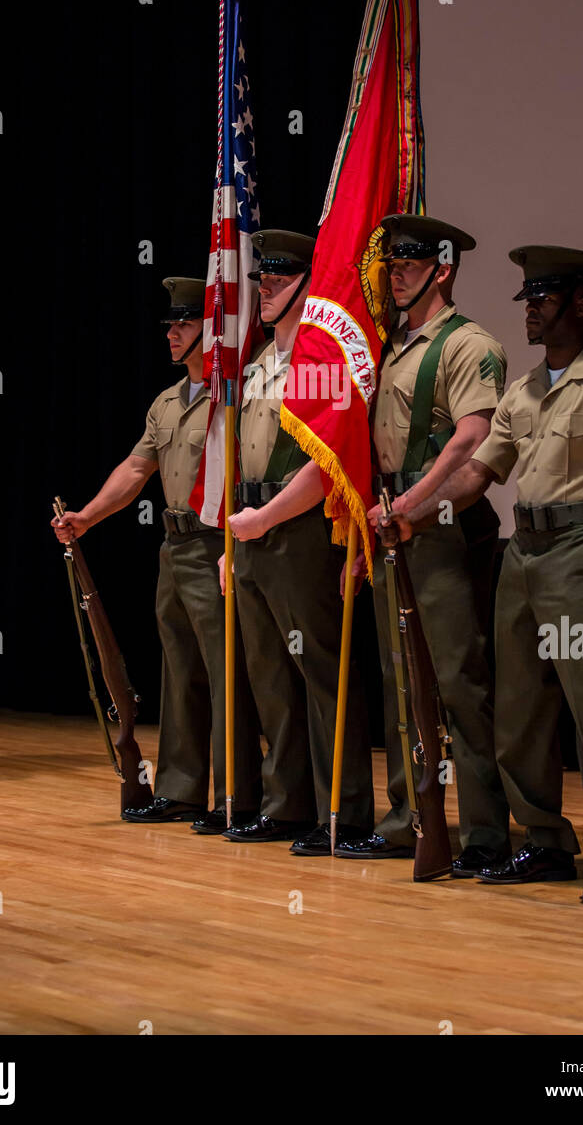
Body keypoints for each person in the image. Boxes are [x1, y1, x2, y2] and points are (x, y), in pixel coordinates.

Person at [392, 245, 583, 904]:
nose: (531, 313)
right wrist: (416, 513)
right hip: (521, 554)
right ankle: (544, 842)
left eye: (543, 299)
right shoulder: (522, 391)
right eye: (526, 300)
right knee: (518, 711)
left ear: (581, 301)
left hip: (576, 552)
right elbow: (477, 475)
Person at [333, 213, 511, 875]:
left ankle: (488, 832)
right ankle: (409, 818)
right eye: (391, 266)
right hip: (390, 527)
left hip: (440, 528)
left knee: (459, 684)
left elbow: (472, 439)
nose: (395, 276)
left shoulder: (470, 345)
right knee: (401, 681)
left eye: (408, 264)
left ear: (442, 269)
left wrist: (411, 504)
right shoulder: (391, 348)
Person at [51, 277, 261, 829]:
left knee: (226, 673)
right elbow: (136, 468)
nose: (171, 333)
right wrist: (87, 518)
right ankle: (181, 789)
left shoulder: (233, 396)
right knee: (180, 670)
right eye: (170, 325)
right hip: (174, 547)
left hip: (218, 542)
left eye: (184, 324)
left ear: (210, 331)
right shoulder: (167, 401)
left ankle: (237, 795)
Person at [224, 230, 375, 852]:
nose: (266, 291)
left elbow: (329, 459)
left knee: (321, 675)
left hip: (300, 529)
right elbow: (239, 455)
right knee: (267, 675)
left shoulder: (320, 364)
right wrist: (237, 532)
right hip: (253, 529)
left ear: (307, 288)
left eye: (280, 282)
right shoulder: (259, 363)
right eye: (263, 281)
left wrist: (266, 520)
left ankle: (342, 812)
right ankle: (287, 805)